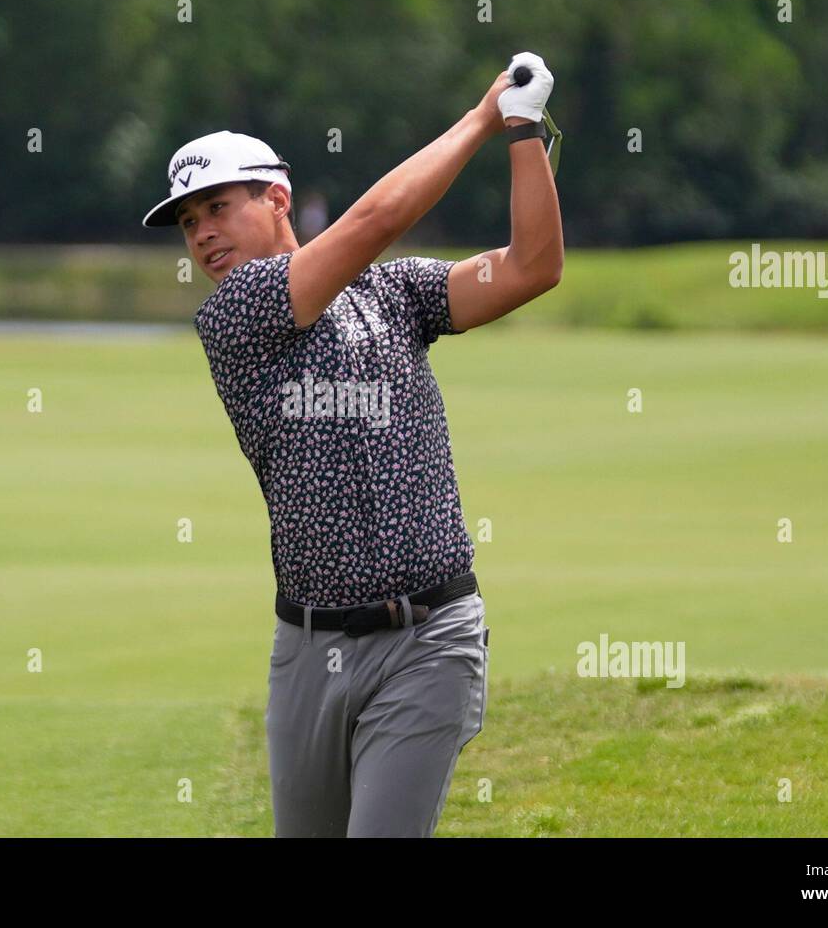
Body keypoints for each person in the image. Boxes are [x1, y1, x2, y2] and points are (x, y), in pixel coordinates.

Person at [142, 52, 562, 837]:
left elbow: (531, 267)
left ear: (276, 199)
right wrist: (478, 117)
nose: (200, 234)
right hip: (307, 650)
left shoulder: (392, 294)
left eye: (215, 208)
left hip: (429, 637)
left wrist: (520, 133)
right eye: (188, 222)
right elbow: (371, 224)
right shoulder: (236, 317)